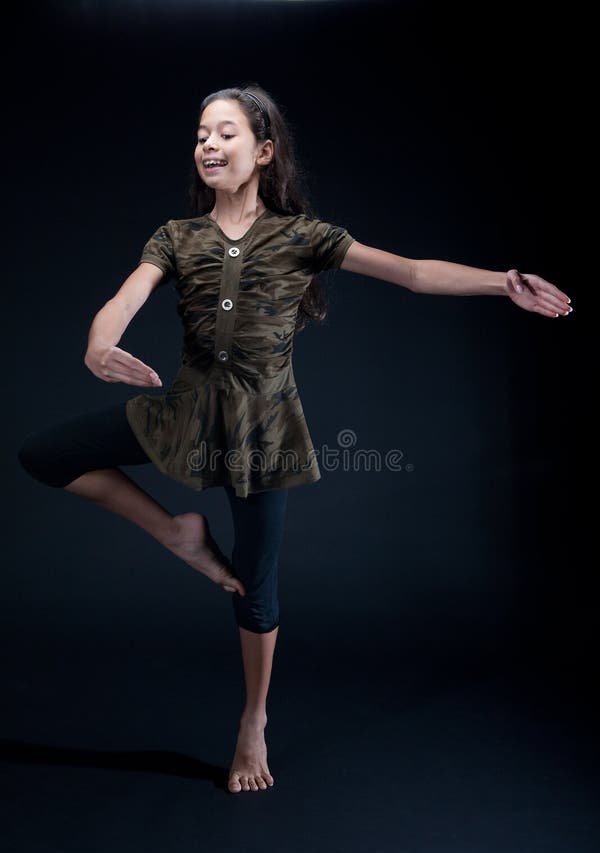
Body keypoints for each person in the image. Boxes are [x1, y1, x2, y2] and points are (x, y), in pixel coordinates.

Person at [16, 83, 573, 796]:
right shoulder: (176, 237)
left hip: (263, 433)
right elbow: (124, 299)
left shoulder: (303, 236)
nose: (208, 145)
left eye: (225, 133)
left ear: (263, 151)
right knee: (45, 454)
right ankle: (177, 533)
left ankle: (254, 719)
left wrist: (504, 282)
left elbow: (411, 273)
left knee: (255, 592)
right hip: (186, 414)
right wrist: (99, 345)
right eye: (201, 134)